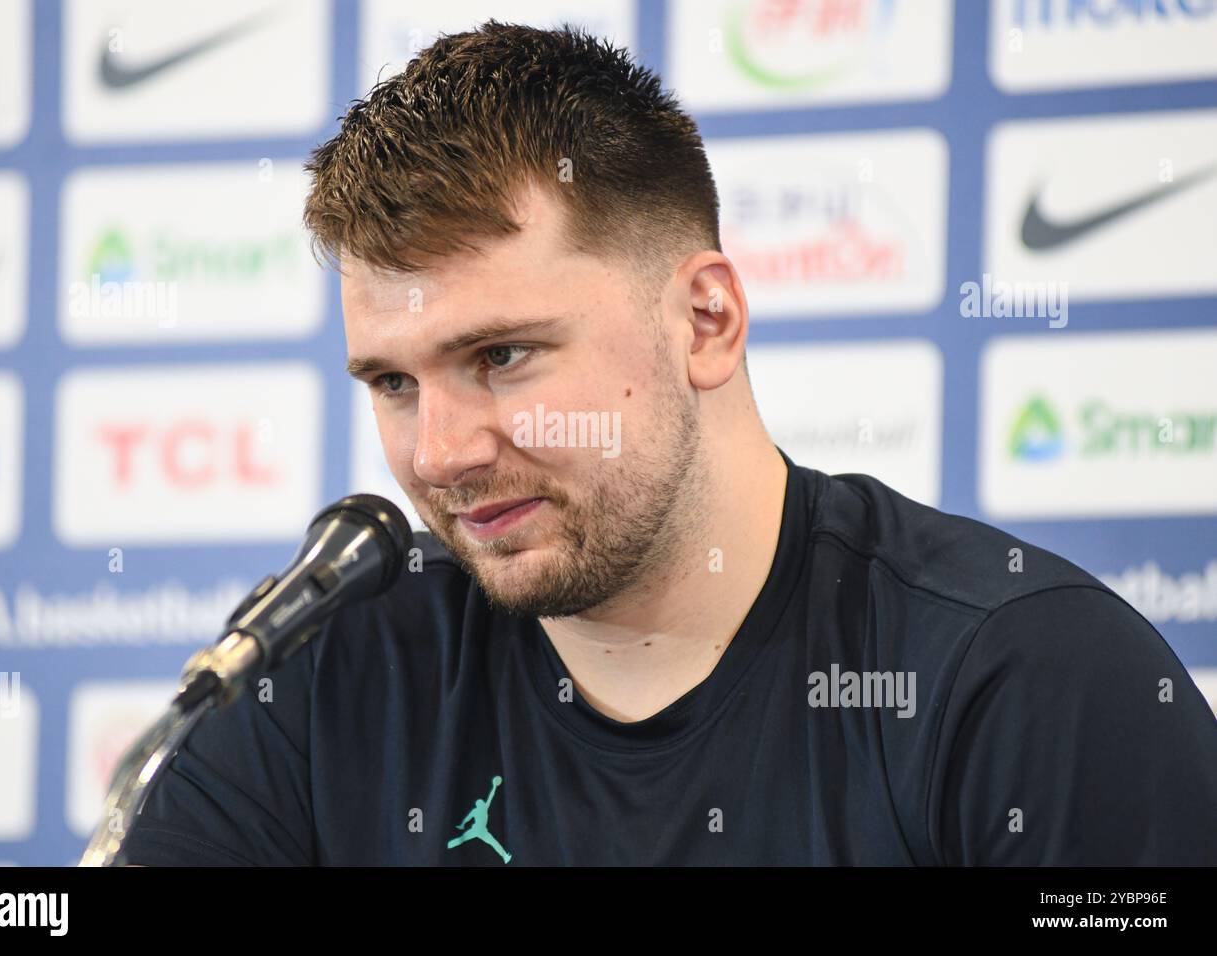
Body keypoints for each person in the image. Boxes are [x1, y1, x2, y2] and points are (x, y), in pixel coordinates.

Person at [119, 21, 1217, 866]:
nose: (441, 453)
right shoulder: (318, 673)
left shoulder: (1019, 677)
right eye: (395, 381)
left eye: (503, 355)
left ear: (705, 321)